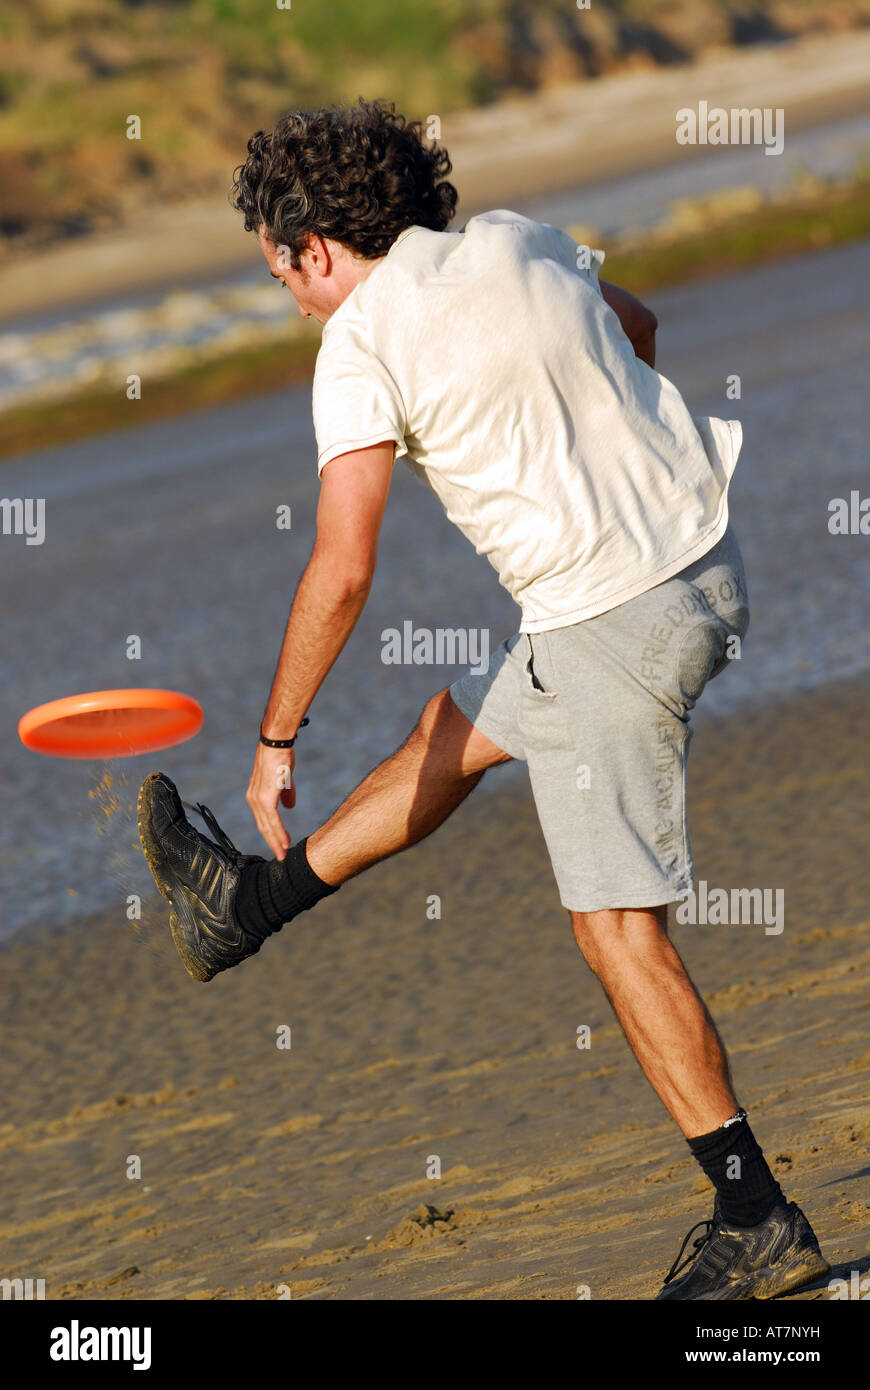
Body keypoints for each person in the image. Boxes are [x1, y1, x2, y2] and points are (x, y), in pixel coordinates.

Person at [137, 99, 829, 1300]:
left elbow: (344, 566)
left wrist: (274, 736)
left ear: (316, 249)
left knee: (615, 932)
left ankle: (755, 1214)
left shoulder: (357, 347)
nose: (288, 300)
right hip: (703, 569)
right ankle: (246, 904)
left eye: (278, 274)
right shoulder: (515, 237)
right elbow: (641, 325)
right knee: (457, 734)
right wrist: (600, 468)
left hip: (613, 621)